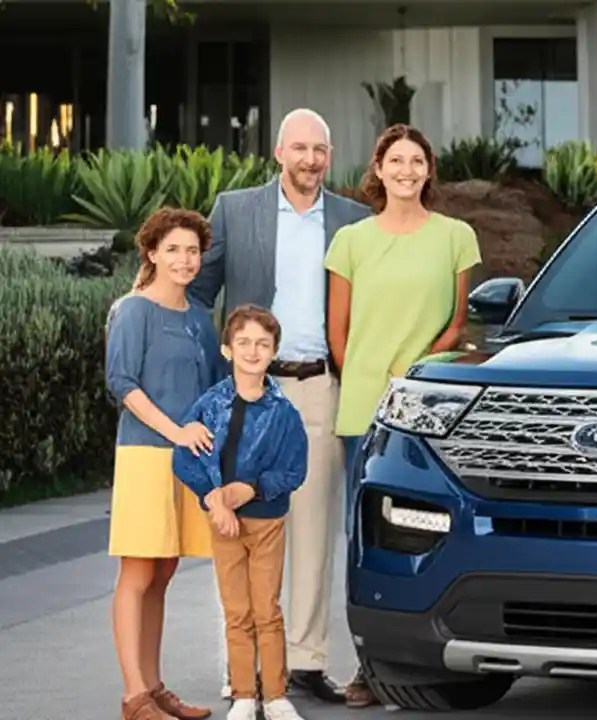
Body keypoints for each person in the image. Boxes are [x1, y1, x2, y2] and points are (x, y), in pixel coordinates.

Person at [188, 108, 373, 706]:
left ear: (330, 153)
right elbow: (195, 292)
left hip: (319, 387)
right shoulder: (235, 209)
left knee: (313, 528)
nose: (311, 161)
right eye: (300, 149)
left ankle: (307, 660)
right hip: (248, 392)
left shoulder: (353, 220)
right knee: (239, 526)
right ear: (278, 152)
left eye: (320, 150)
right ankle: (239, 666)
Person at [324, 123, 481, 702]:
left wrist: (416, 375)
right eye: (397, 161)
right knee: (364, 537)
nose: (407, 170)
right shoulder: (350, 243)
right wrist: (368, 382)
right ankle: (368, 668)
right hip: (364, 408)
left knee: (422, 532)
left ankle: (424, 655)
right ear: (379, 170)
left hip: (428, 406)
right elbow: (337, 335)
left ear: (428, 170)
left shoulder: (456, 237)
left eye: (417, 161)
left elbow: (458, 323)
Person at [106, 208, 223, 720]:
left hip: (187, 463)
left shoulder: (200, 318)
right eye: (173, 249)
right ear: (151, 253)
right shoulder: (135, 311)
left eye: (192, 251)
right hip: (145, 457)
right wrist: (176, 431)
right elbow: (123, 383)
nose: (184, 259)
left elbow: (216, 392)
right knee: (138, 572)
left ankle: (154, 687)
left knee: (165, 570)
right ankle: (134, 696)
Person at [173, 304, 312, 720]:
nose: (253, 351)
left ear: (274, 353)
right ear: (227, 349)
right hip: (223, 523)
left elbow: (294, 469)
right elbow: (185, 457)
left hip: (266, 521)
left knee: (266, 609)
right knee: (236, 611)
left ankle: (275, 695)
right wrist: (215, 498)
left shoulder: (284, 413)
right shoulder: (209, 405)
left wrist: (247, 489)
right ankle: (244, 695)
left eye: (263, 344)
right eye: (244, 342)